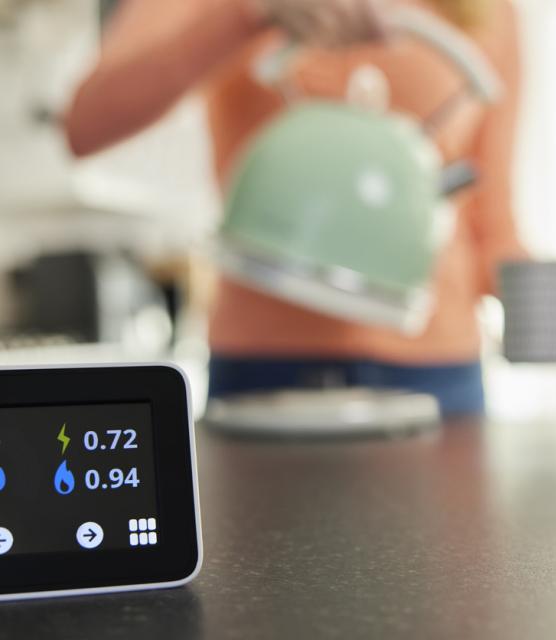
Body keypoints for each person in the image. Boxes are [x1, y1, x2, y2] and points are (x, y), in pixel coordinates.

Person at [65, 0, 526, 417]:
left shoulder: (488, 10)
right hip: (265, 364)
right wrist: (250, 12)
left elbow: (490, 215)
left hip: (438, 370)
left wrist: (553, 300)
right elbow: (86, 124)